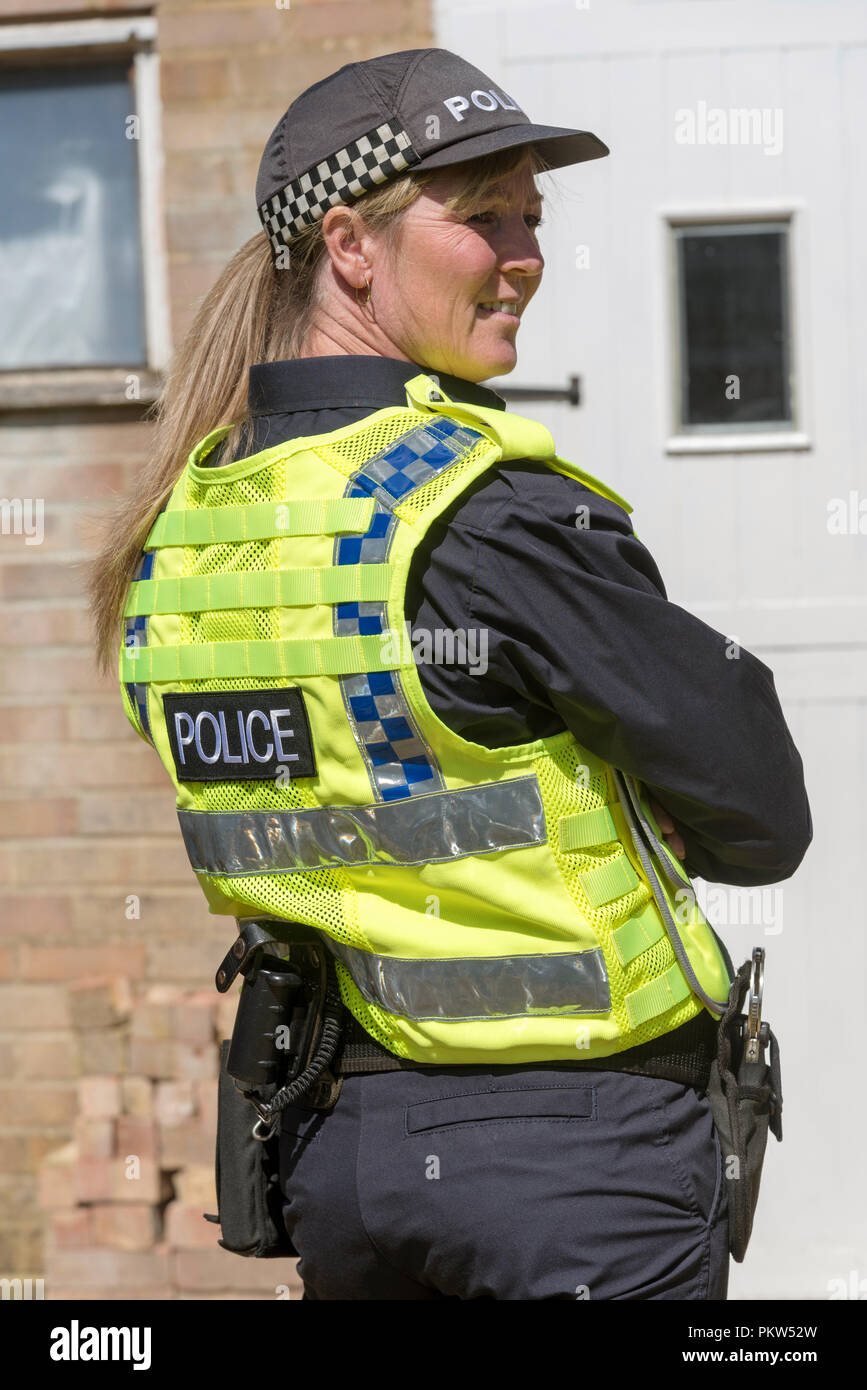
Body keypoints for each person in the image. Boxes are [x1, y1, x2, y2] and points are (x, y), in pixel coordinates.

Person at [91, 48, 812, 1300]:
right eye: (483, 217)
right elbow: (759, 808)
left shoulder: (178, 538)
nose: (524, 252)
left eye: (533, 215)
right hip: (569, 1177)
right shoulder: (475, 514)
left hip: (348, 1165)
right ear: (350, 246)